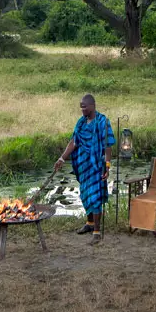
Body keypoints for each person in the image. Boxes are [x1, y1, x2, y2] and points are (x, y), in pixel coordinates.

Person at [55, 93, 115, 236]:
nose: (82, 110)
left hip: (96, 166)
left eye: (84, 107)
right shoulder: (81, 123)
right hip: (83, 166)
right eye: (81, 108)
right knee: (85, 194)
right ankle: (89, 223)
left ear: (92, 106)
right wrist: (62, 158)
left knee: (95, 197)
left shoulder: (102, 122)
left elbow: (108, 146)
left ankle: (97, 231)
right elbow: (74, 142)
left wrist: (107, 166)